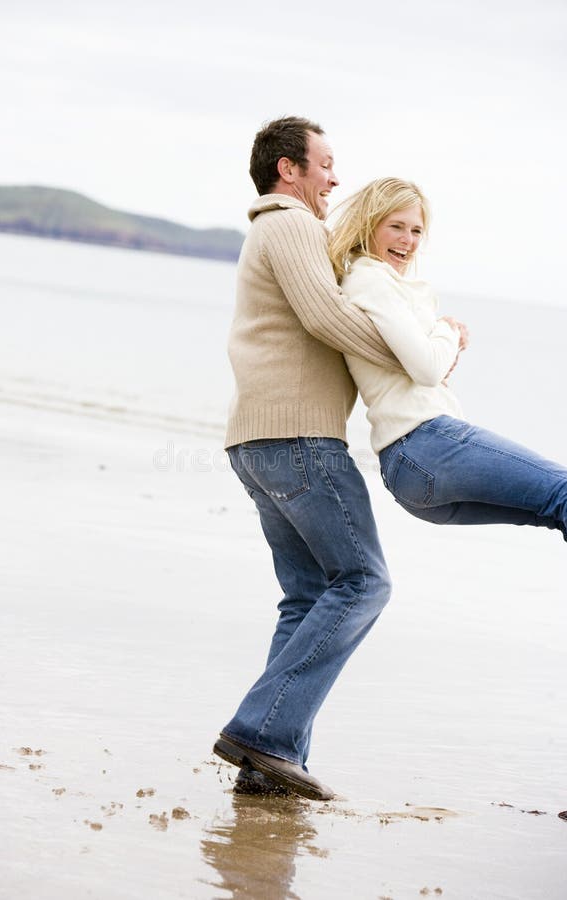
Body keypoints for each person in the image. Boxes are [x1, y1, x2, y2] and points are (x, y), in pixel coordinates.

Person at [213, 118, 403, 801]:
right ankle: (262, 733)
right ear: (288, 170)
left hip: (263, 438)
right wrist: (416, 354)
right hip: (297, 439)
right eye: (325, 163)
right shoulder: (288, 222)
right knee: (363, 581)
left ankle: (270, 762)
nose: (335, 177)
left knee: (306, 599)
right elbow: (325, 317)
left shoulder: (276, 230)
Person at [328, 177, 567, 539]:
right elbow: (427, 369)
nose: (408, 241)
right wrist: (449, 330)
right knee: (561, 492)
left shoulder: (383, 285)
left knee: (552, 508)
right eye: (396, 227)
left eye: (416, 231)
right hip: (424, 443)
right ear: (368, 225)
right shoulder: (372, 280)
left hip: (411, 465)